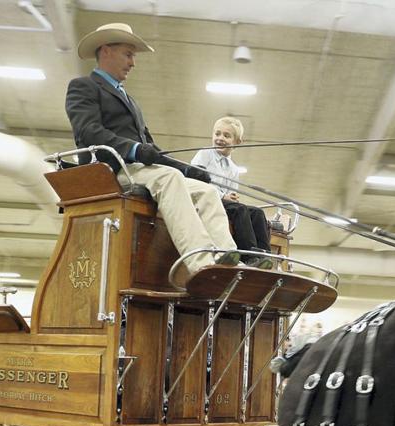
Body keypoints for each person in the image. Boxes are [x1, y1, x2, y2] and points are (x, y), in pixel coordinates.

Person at [65, 22, 239, 288]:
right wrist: (134, 150)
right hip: (111, 169)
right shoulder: (83, 87)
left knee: (206, 191)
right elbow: (89, 132)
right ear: (106, 51)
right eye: (128, 54)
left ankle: (228, 259)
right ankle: (201, 262)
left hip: (141, 171)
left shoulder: (132, 101)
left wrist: (187, 169)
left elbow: (151, 149)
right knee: (168, 178)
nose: (133, 62)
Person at [190, 117, 273, 265]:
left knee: (257, 213)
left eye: (226, 136)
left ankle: (265, 256)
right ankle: (248, 255)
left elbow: (231, 194)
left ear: (237, 142)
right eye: (217, 134)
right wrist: (224, 196)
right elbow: (196, 181)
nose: (220, 138)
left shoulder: (234, 169)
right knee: (240, 209)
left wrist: (230, 197)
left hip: (224, 203)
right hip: (206, 199)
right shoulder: (205, 154)